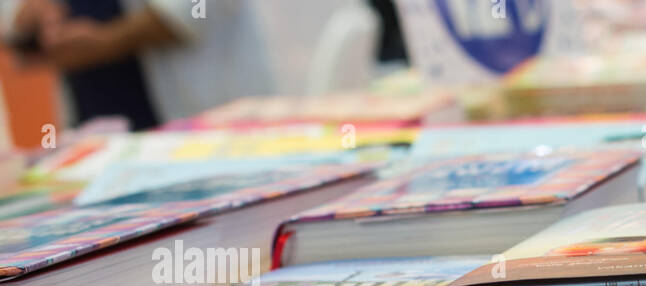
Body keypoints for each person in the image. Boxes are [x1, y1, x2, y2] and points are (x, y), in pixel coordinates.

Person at [1, 0, 371, 127]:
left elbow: (195, 10)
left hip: (201, 111)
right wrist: (25, 15)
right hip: (97, 115)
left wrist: (109, 41)